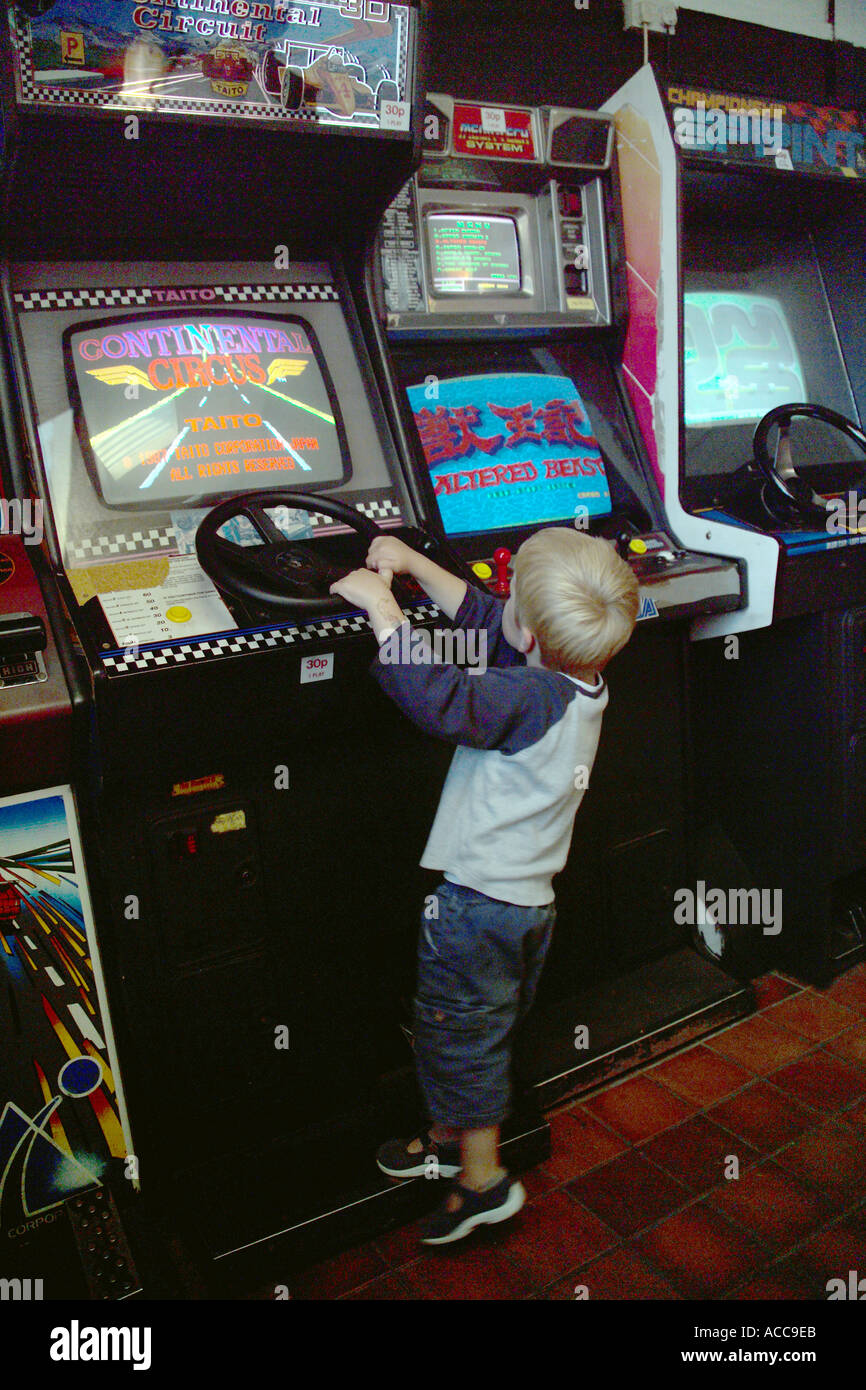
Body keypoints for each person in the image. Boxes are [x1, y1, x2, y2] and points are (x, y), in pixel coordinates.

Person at [330, 527, 639, 1245]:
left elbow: (441, 700)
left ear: (528, 635)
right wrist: (412, 565)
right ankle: (445, 1137)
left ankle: (481, 1182)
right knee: (466, 1028)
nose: (496, 607)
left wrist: (384, 610)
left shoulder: (522, 695)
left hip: (476, 907)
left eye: (513, 606)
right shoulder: (573, 681)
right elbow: (486, 617)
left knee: (462, 1035)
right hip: (525, 904)